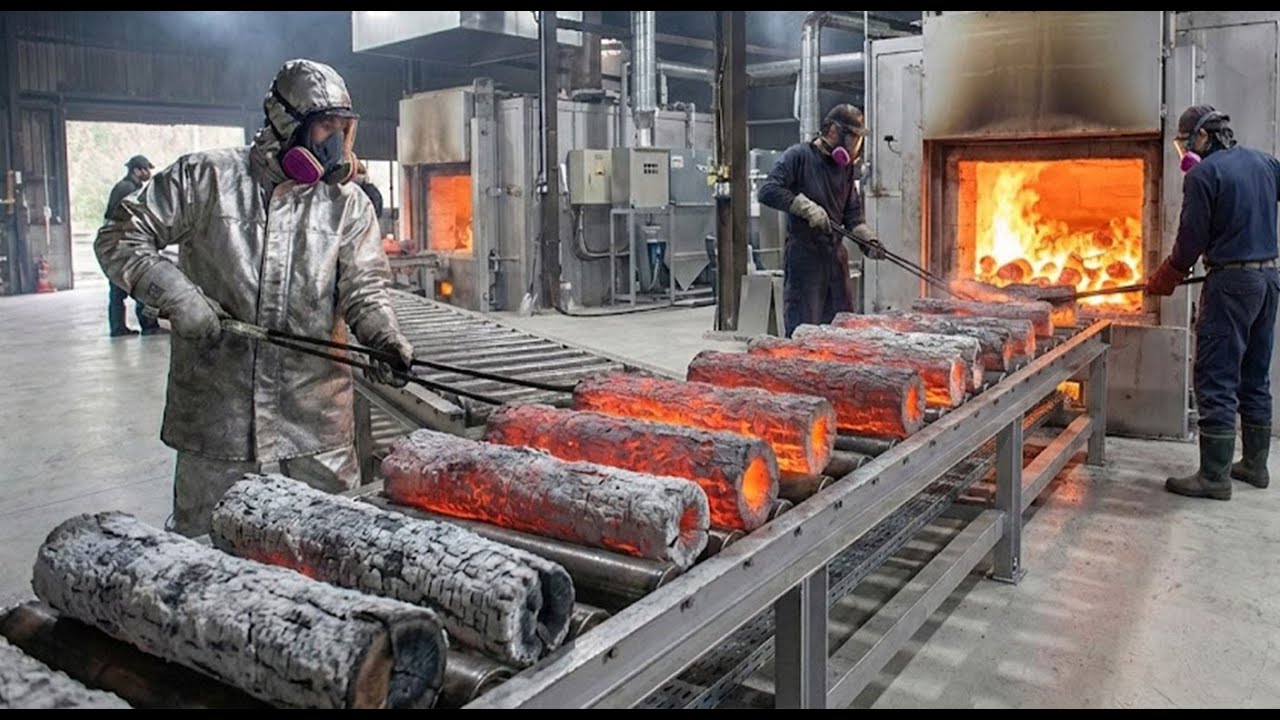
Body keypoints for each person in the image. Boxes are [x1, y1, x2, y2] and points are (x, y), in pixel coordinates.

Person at [95, 58, 415, 536]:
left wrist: (382, 336)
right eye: (325, 126)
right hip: (218, 420)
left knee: (333, 544)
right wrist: (178, 296)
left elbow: (364, 288)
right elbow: (120, 236)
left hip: (316, 421)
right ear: (285, 122)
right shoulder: (205, 178)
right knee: (207, 549)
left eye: (343, 129)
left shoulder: (347, 205)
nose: (335, 142)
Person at [1147, 104, 1280, 500]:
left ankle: (1214, 477)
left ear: (1203, 136)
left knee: (1216, 374)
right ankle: (1255, 465)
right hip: (1268, 279)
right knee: (1255, 373)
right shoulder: (1266, 163)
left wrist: (1167, 275)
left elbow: (1190, 241)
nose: (1185, 151)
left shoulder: (1203, 175)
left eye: (1186, 142)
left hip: (1232, 284)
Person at [758, 103, 885, 338]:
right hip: (805, 260)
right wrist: (805, 208)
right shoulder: (799, 156)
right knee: (804, 332)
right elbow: (768, 190)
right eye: (852, 138)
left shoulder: (845, 168)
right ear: (833, 131)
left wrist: (867, 239)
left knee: (843, 330)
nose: (855, 146)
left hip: (835, 260)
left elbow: (852, 214)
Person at [104, 155, 164, 337]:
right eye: (146, 169)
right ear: (136, 170)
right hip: (124, 244)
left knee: (119, 288)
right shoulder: (128, 189)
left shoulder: (127, 187)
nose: (148, 173)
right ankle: (148, 325)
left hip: (119, 243)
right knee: (142, 283)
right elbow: (134, 216)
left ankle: (119, 327)